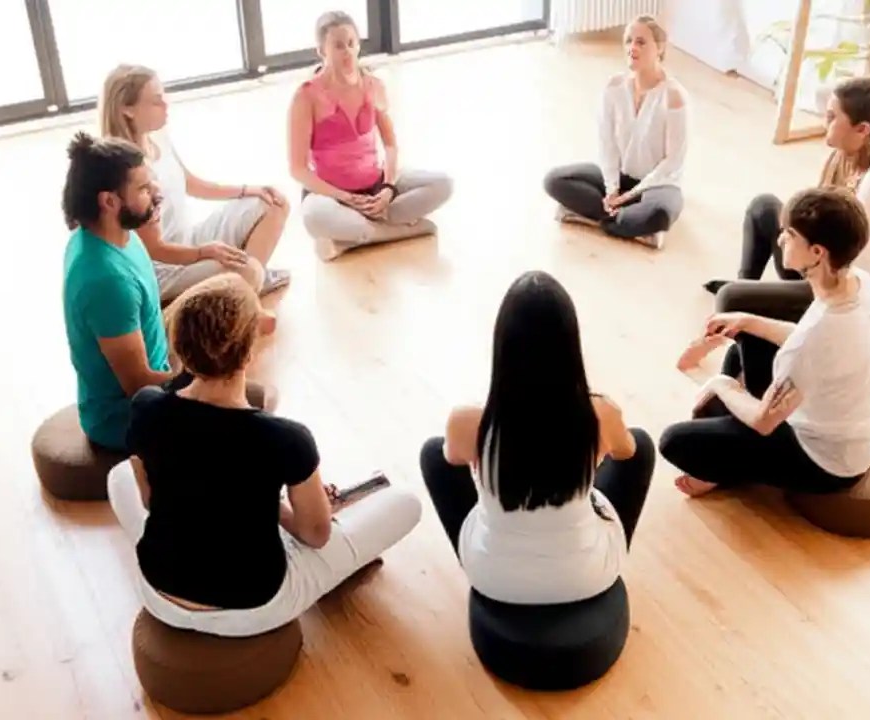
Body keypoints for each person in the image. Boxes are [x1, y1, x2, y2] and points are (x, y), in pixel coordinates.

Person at [107, 273, 422, 638]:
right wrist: (274, 505)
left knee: (119, 475)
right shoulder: (285, 439)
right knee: (404, 502)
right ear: (249, 351)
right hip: (253, 608)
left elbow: (148, 500)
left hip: (159, 593)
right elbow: (315, 535)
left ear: (179, 344)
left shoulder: (147, 407)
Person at [419, 271, 656, 605]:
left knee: (434, 454)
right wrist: (591, 457)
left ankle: (483, 550)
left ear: (502, 344)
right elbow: (628, 452)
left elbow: (452, 459)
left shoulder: (468, 420)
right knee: (640, 444)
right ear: (571, 344)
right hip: (589, 577)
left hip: (493, 578)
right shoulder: (600, 412)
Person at [663, 187, 870, 498]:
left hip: (826, 464)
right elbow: (810, 340)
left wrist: (718, 383)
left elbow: (763, 421)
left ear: (817, 252)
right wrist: (746, 321)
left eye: (789, 234)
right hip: (855, 434)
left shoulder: (816, 337)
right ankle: (730, 430)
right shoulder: (860, 283)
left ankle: (724, 468)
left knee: (674, 441)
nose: (780, 239)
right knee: (745, 336)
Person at [61, 132, 274, 454]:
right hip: (124, 417)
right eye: (144, 189)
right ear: (109, 201)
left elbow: (159, 252)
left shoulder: (115, 233)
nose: (158, 194)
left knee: (237, 285)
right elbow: (138, 386)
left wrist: (206, 253)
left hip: (158, 350)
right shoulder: (106, 281)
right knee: (259, 405)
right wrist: (207, 378)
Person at [703, 74, 870, 321]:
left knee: (730, 298)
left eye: (832, 117)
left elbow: (845, 259)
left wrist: (796, 242)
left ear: (862, 129)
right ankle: (747, 285)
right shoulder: (841, 156)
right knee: (763, 207)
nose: (823, 121)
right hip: (815, 260)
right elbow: (814, 217)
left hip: (837, 285)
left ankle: (748, 302)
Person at [99, 64, 291, 305]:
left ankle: (245, 289)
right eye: (156, 101)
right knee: (248, 269)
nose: (166, 104)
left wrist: (247, 190)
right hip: (165, 265)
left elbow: (190, 183)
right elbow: (154, 248)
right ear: (128, 110)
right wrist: (203, 253)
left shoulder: (157, 136)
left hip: (189, 240)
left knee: (274, 203)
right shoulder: (123, 167)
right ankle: (245, 291)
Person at [288, 11, 454, 261]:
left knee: (444, 184)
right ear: (322, 50)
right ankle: (405, 229)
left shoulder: (374, 85)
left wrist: (387, 188)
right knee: (313, 217)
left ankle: (358, 237)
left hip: (376, 186)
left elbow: (390, 145)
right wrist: (346, 198)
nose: (347, 52)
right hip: (331, 196)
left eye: (352, 44)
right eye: (338, 46)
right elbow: (298, 169)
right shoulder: (306, 96)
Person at [543, 15, 688, 250]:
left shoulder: (673, 96)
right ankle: (631, 227)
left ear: (659, 48)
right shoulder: (614, 87)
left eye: (641, 42)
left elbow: (673, 162)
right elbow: (607, 144)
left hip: (657, 185)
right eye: (628, 41)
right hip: (619, 178)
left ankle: (593, 218)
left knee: (660, 214)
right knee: (554, 181)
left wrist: (628, 197)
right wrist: (612, 190)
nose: (632, 48)